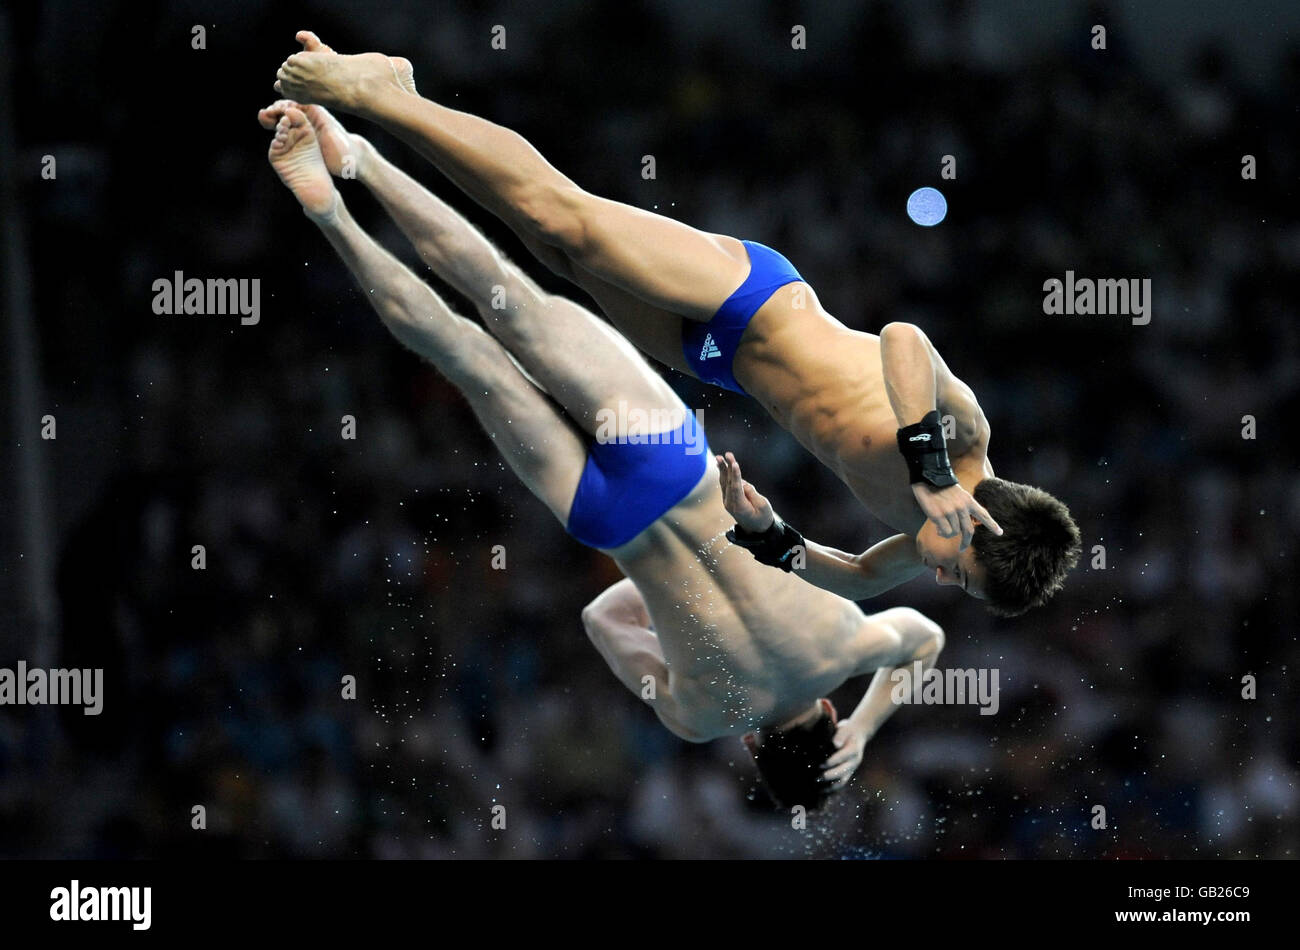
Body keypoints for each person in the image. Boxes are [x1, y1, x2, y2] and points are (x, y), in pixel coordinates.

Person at [261, 97, 947, 809]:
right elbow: (602, 619)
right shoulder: (698, 718)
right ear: (753, 748)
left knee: (510, 301)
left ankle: (362, 160)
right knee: (465, 357)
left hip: (676, 468)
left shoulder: (850, 645)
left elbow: (923, 639)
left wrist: (867, 729)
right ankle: (328, 214)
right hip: (607, 520)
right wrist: (671, 590)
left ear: (832, 714)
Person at [272, 31, 1081, 617]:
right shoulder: (963, 439)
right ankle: (373, 93)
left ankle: (402, 96)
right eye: (960, 575)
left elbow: (856, 578)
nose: (942, 581)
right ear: (979, 526)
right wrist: (929, 464)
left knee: (552, 253)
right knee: (568, 219)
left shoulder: (919, 539)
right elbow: (906, 339)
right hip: (756, 299)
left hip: (715, 362)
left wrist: (771, 536)